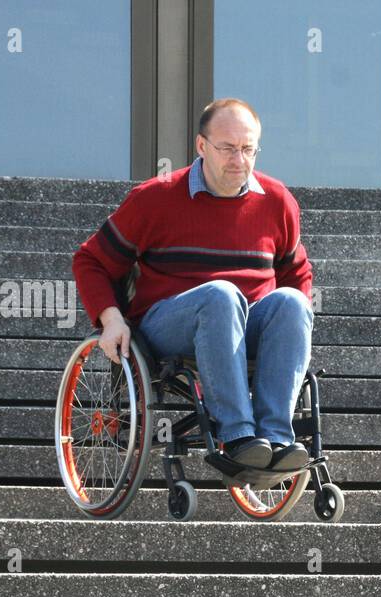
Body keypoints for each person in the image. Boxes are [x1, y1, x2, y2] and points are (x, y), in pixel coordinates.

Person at [72, 96, 314, 475]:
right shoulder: (155, 198)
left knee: (293, 303)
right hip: (169, 325)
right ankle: (238, 438)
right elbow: (91, 260)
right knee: (221, 294)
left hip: (243, 324)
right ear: (201, 146)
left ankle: (276, 439)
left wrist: (293, 331)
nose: (240, 160)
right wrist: (111, 319)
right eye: (228, 149)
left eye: (248, 149)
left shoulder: (278, 202)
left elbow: (296, 274)